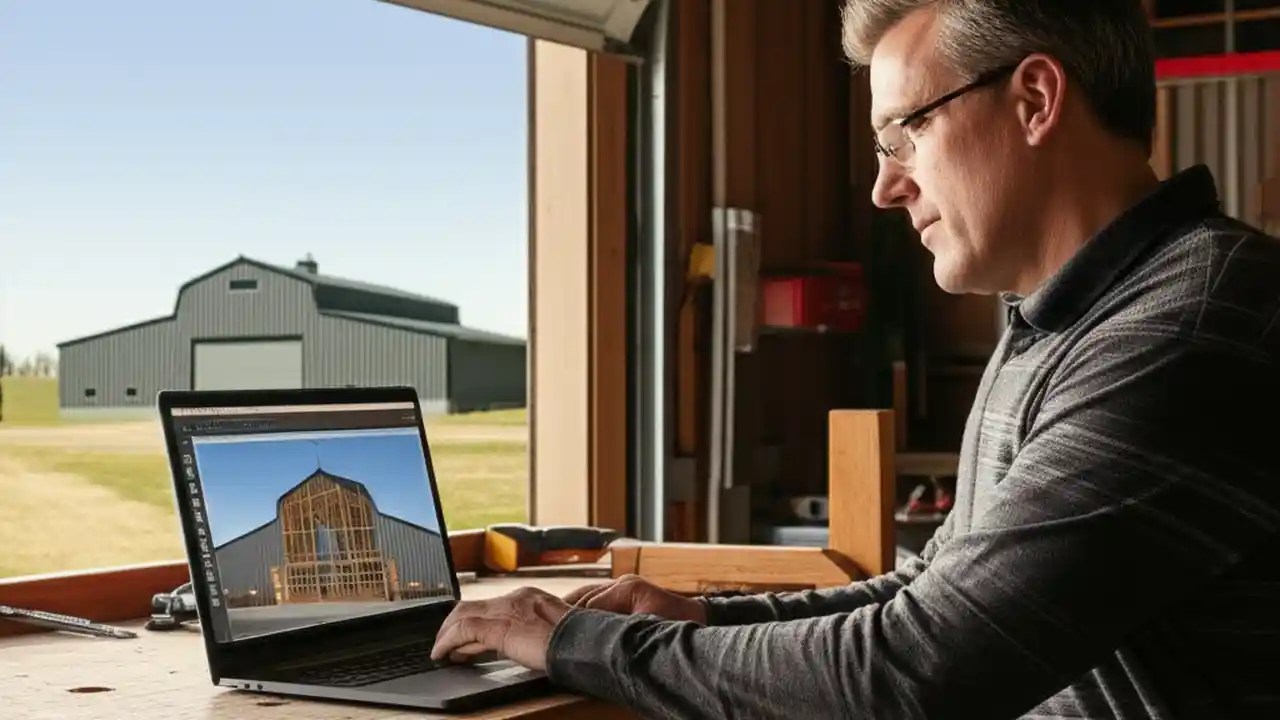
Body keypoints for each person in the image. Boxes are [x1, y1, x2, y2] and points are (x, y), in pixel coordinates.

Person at [430, 1, 1280, 717]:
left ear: (1034, 100)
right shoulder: (1064, 317)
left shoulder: (1189, 326)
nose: (886, 186)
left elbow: (917, 666)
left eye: (904, 133)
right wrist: (698, 618)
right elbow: (934, 593)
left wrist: (578, 642)